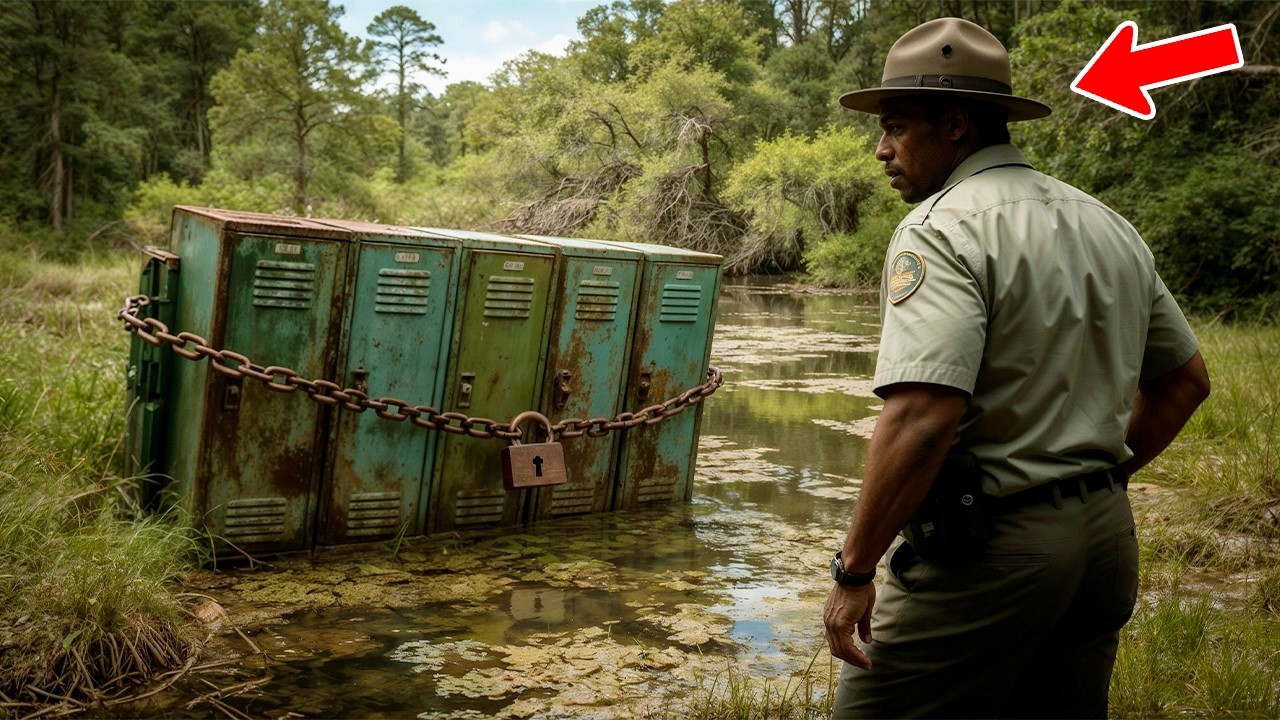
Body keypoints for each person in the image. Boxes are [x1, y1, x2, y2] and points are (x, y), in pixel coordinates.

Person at [822, 17, 1211, 719]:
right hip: (1103, 544)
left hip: (991, 551)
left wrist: (854, 570)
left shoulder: (941, 228)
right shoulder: (1107, 222)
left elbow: (920, 418)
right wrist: (1100, 478)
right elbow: (1184, 382)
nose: (880, 150)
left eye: (897, 127)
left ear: (959, 125)